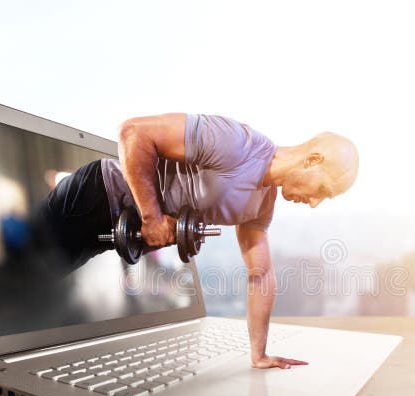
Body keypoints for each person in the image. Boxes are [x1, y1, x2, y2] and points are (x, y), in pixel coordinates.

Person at [115, 113, 359, 370]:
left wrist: (259, 355)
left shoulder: (264, 203)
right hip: (101, 192)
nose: (313, 203)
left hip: (123, 235)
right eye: (321, 191)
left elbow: (261, 274)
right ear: (313, 160)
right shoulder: (238, 143)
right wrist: (152, 218)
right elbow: (132, 132)